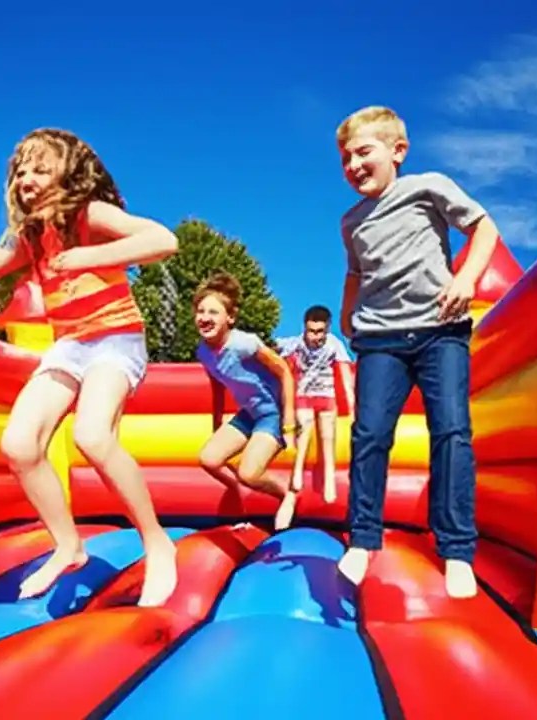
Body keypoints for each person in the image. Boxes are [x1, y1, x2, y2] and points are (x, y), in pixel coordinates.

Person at [0, 128, 179, 606]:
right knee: (20, 445)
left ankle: (157, 542)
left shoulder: (91, 215)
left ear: (71, 175)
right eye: (21, 171)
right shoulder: (34, 235)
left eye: (41, 169)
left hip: (116, 340)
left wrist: (91, 255)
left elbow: (163, 240)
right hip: (70, 347)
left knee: (93, 436)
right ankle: (68, 544)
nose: (27, 179)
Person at [334, 106, 501, 599]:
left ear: (397, 151)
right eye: (345, 158)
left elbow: (484, 227)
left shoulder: (427, 186)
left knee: (451, 430)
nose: (353, 165)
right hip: (380, 337)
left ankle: (456, 550)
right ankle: (363, 539)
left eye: (363, 152)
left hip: (439, 330)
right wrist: (347, 317)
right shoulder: (351, 222)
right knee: (369, 435)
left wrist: (467, 277)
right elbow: (355, 274)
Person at [193, 273, 299, 530]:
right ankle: (240, 492)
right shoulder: (203, 352)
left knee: (250, 472)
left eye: (214, 312)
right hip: (249, 414)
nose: (205, 317)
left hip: (272, 412)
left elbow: (283, 370)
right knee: (209, 459)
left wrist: (288, 420)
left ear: (230, 318)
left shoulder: (244, 343)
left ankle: (287, 492)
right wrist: (217, 422)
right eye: (200, 311)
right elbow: (217, 384)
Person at [275, 305, 354, 505]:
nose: (314, 337)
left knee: (328, 436)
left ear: (327, 329)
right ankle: (297, 473)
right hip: (304, 395)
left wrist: (353, 409)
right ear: (305, 328)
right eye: (311, 331)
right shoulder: (296, 343)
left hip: (326, 396)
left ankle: (329, 480)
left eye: (319, 332)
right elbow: (272, 347)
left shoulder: (334, 345)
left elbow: (345, 376)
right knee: (305, 429)